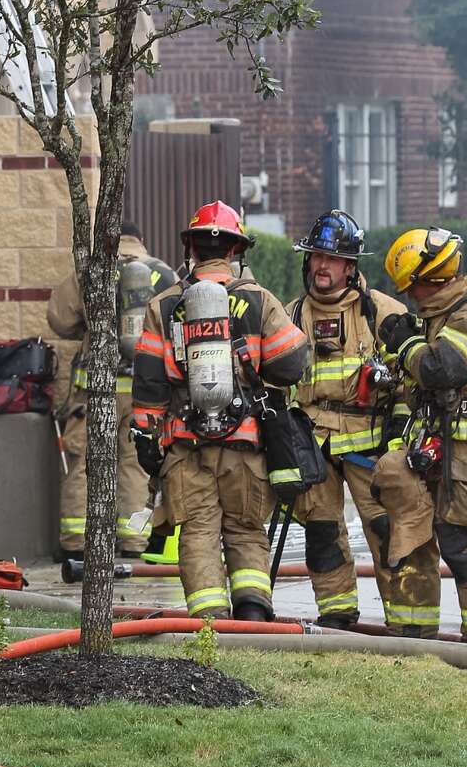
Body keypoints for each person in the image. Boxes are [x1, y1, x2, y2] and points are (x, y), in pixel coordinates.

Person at [131, 201, 309, 620]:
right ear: (234, 251)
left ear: (190, 248)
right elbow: (291, 365)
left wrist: (145, 437)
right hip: (246, 446)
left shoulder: (163, 305)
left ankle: (209, 624)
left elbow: (149, 382)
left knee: (197, 534)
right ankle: (252, 615)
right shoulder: (259, 300)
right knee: (246, 531)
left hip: (185, 446)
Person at [372, 227, 467, 644]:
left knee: (466, 547)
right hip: (430, 450)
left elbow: (442, 369)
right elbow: (415, 386)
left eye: (413, 286)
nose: (411, 295)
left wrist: (406, 342)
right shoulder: (437, 316)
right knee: (410, 538)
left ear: (430, 278)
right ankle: (413, 630)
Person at [288, 209, 411, 626]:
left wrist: (397, 436)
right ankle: (337, 614)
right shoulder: (289, 317)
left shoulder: (382, 313)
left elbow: (410, 380)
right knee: (322, 532)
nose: (322, 265)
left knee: (387, 531)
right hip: (314, 448)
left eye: (332, 258)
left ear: (350, 265)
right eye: (316, 256)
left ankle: (405, 616)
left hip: (369, 446)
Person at [46, 221, 173, 557]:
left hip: (94, 392)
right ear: (141, 241)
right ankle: (134, 541)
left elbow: (59, 319)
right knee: (135, 467)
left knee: (82, 464)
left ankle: (77, 544)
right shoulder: (164, 274)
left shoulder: (94, 270)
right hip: (143, 392)